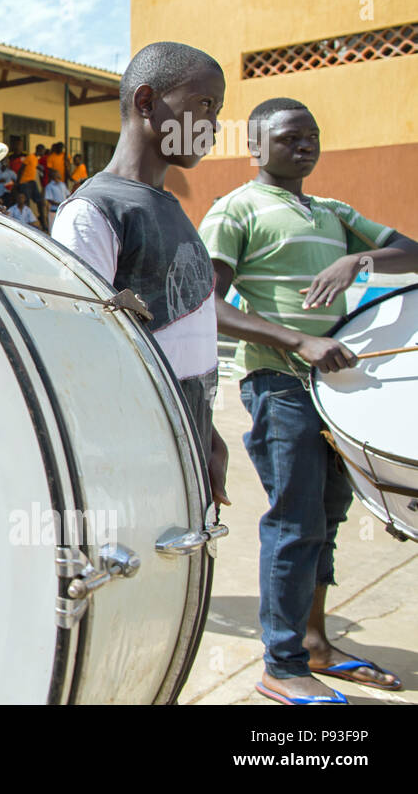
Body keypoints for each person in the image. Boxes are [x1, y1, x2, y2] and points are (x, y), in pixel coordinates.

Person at [200, 97, 418, 705]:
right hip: (278, 381)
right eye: (291, 137)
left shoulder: (332, 212)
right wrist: (300, 340)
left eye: (313, 135)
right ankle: (282, 662)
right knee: (295, 522)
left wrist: (359, 260)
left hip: (335, 390)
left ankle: (316, 640)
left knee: (328, 514)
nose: (306, 145)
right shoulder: (235, 210)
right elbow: (205, 306)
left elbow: (413, 251)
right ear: (255, 147)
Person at [50, 40, 229, 521]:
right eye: (204, 106)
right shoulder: (96, 211)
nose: (213, 126)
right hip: (139, 446)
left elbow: (188, 334)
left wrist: (207, 430)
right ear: (147, 102)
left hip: (188, 426)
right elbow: (80, 351)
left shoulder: (168, 205)